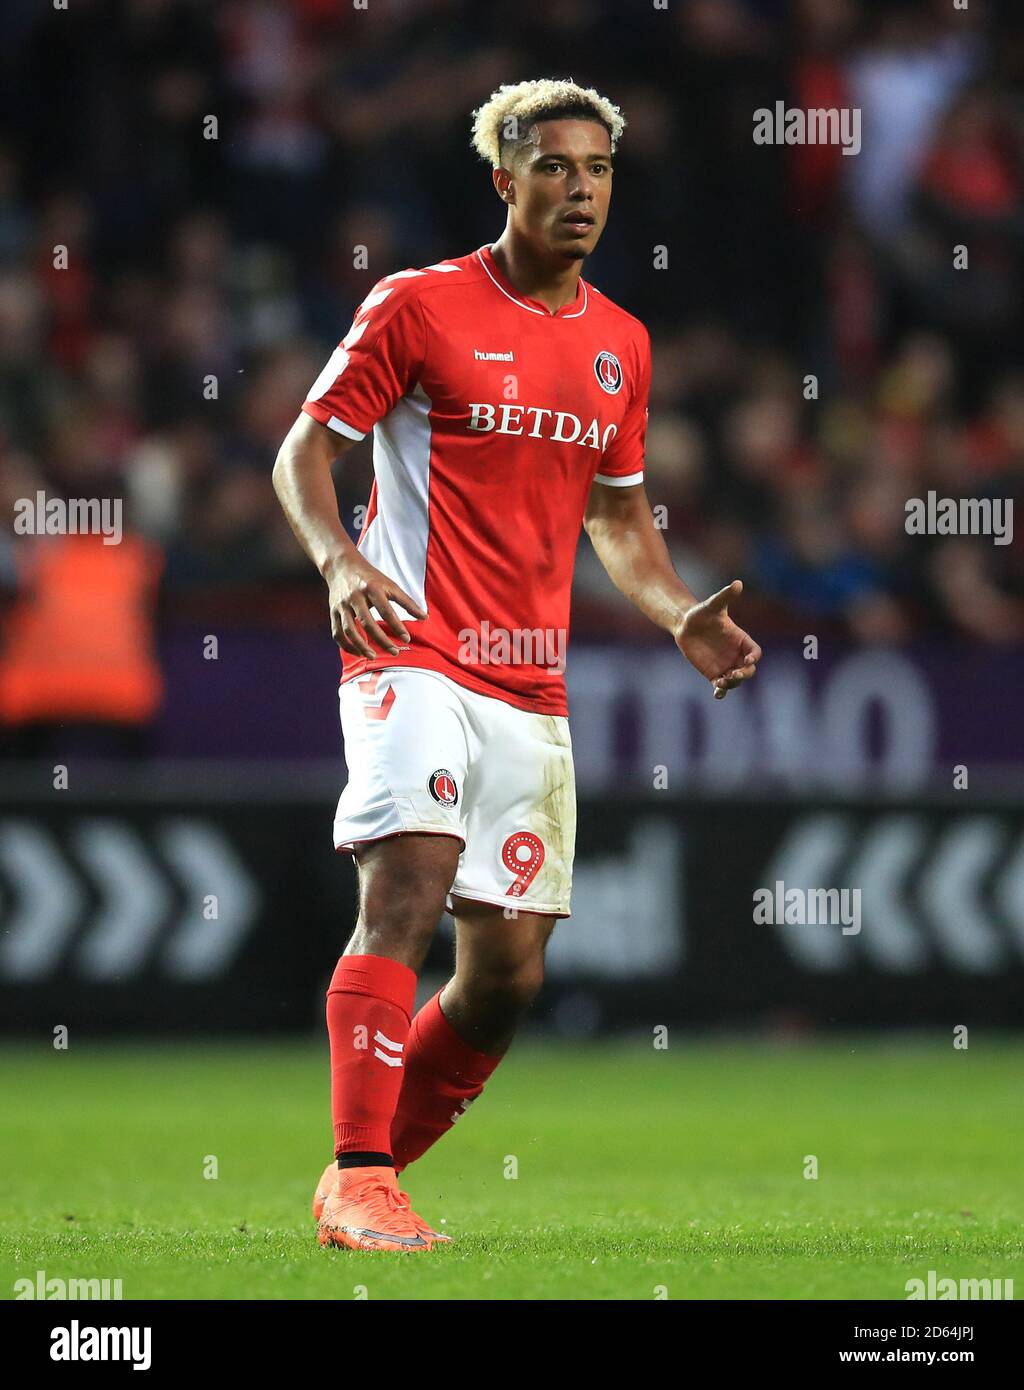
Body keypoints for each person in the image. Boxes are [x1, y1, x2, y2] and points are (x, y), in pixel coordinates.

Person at [273, 77, 761, 1253]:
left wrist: (675, 609)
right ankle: (355, 1174)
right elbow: (304, 450)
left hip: (527, 681)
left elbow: (620, 525)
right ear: (504, 179)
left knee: (507, 974)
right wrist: (340, 565)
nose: (579, 188)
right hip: (412, 648)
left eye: (596, 170)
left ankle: (370, 1167)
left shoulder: (618, 347)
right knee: (408, 884)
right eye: (553, 166)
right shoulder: (420, 305)